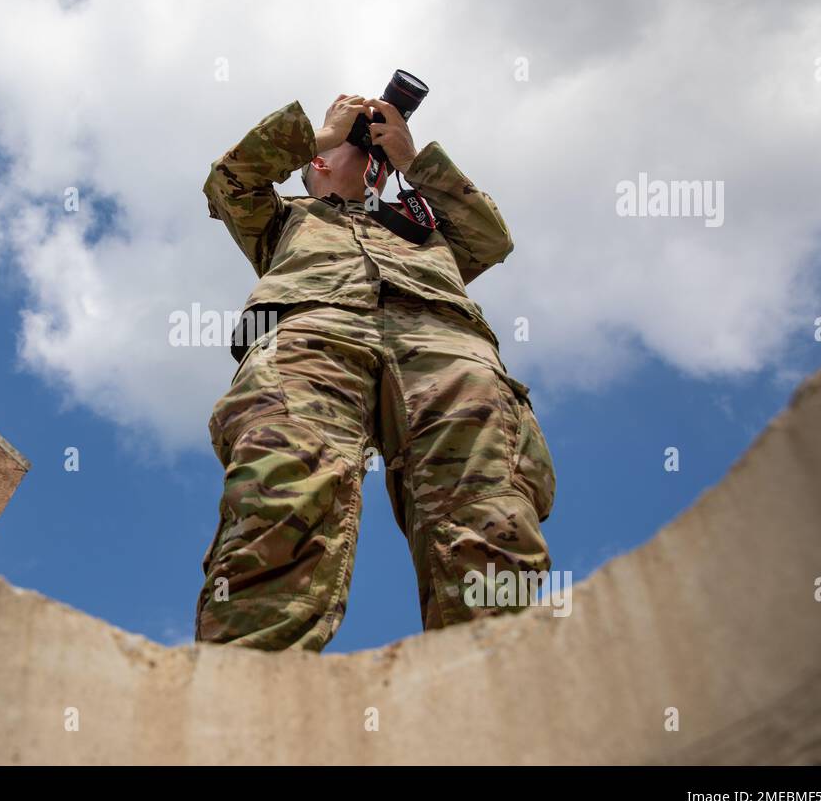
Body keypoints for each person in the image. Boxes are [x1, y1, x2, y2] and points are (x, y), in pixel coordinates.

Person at [194, 94, 556, 651]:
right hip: (314, 332)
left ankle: (502, 703)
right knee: (282, 489)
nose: (374, 159)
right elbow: (230, 180)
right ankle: (247, 696)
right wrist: (321, 133)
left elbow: (489, 238)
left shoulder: (419, 229)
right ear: (317, 162)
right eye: (360, 145)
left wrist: (413, 162)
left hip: (446, 345)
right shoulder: (285, 217)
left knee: (490, 516)